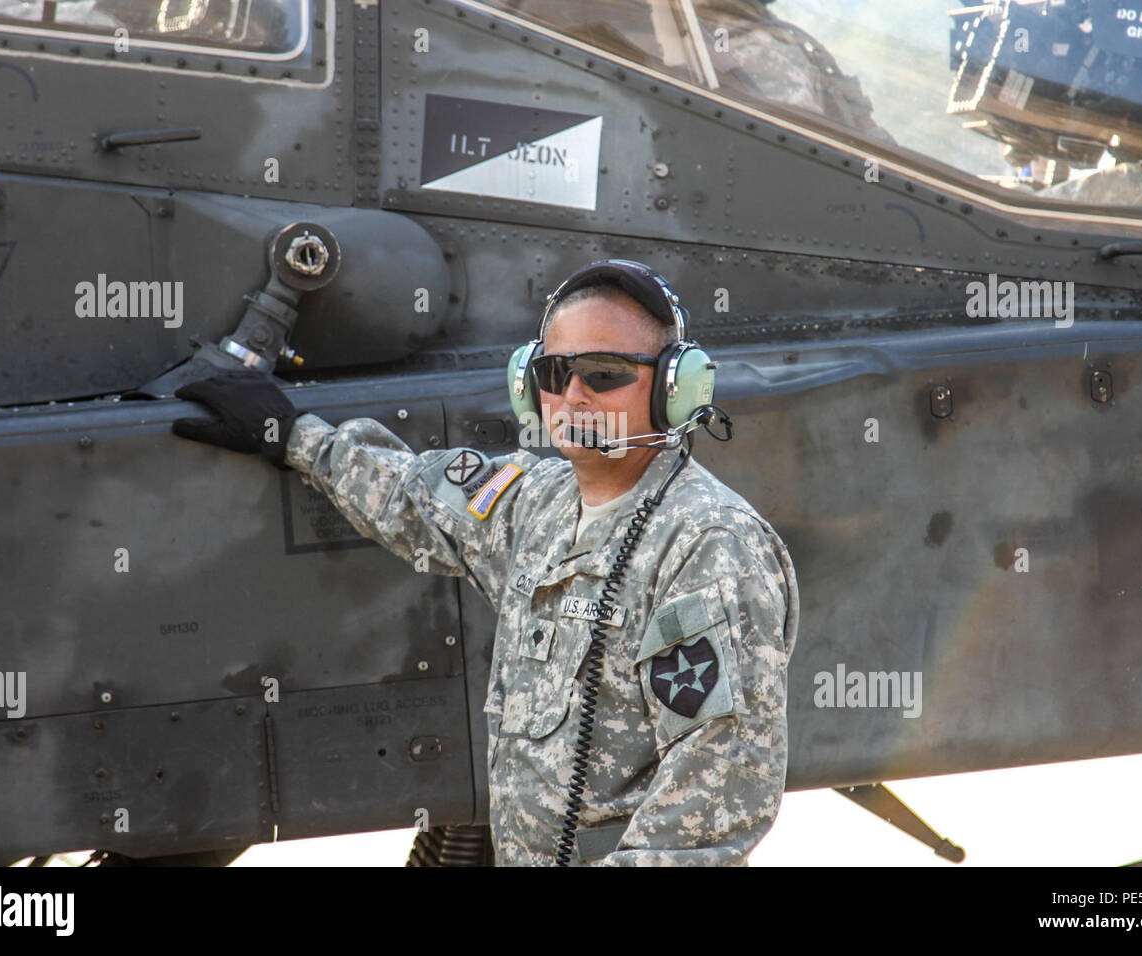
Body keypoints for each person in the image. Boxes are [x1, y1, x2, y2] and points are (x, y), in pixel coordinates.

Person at [171, 259, 799, 866]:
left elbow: (716, 798)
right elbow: (410, 496)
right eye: (555, 373)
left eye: (606, 373)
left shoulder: (710, 543)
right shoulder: (538, 501)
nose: (574, 395)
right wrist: (292, 435)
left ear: (674, 389)